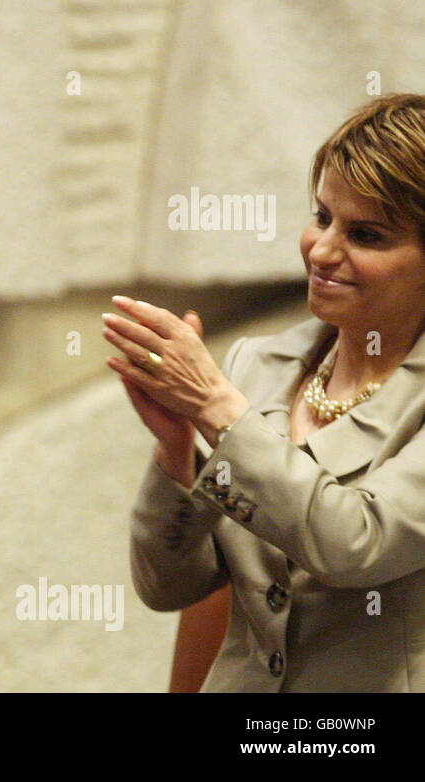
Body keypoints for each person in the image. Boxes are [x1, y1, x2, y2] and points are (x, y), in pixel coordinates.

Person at [109, 93, 425, 692]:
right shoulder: (257, 365)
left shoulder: (225, 396)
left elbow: (356, 541)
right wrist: (174, 449)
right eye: (322, 217)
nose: (323, 251)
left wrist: (213, 405)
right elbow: (169, 587)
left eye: (367, 235)